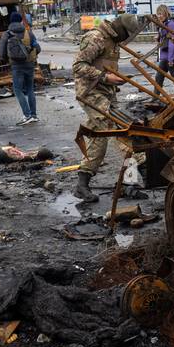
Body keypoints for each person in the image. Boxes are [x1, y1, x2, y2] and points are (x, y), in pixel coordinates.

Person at [71, 12, 140, 203]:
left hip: (107, 92)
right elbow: (78, 66)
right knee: (120, 129)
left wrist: (114, 80)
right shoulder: (95, 37)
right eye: (127, 34)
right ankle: (129, 181)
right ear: (120, 28)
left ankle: (85, 185)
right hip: (90, 93)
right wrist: (105, 77)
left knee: (102, 134)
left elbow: (107, 65)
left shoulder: (114, 41)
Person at [0, 11, 41, 125]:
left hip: (16, 66)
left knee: (18, 90)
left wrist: (9, 60)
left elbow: (1, 53)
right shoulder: (28, 33)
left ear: (11, 21)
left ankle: (27, 115)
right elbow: (38, 48)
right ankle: (33, 115)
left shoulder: (7, 34)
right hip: (29, 65)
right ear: (21, 21)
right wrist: (30, 54)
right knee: (30, 89)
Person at [155, 4, 174, 92]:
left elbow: (173, 43)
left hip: (171, 56)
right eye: (158, 14)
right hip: (165, 56)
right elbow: (165, 38)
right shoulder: (163, 24)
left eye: (161, 14)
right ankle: (155, 98)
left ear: (166, 13)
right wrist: (158, 38)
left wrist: (171, 59)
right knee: (159, 77)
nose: (159, 16)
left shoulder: (171, 24)